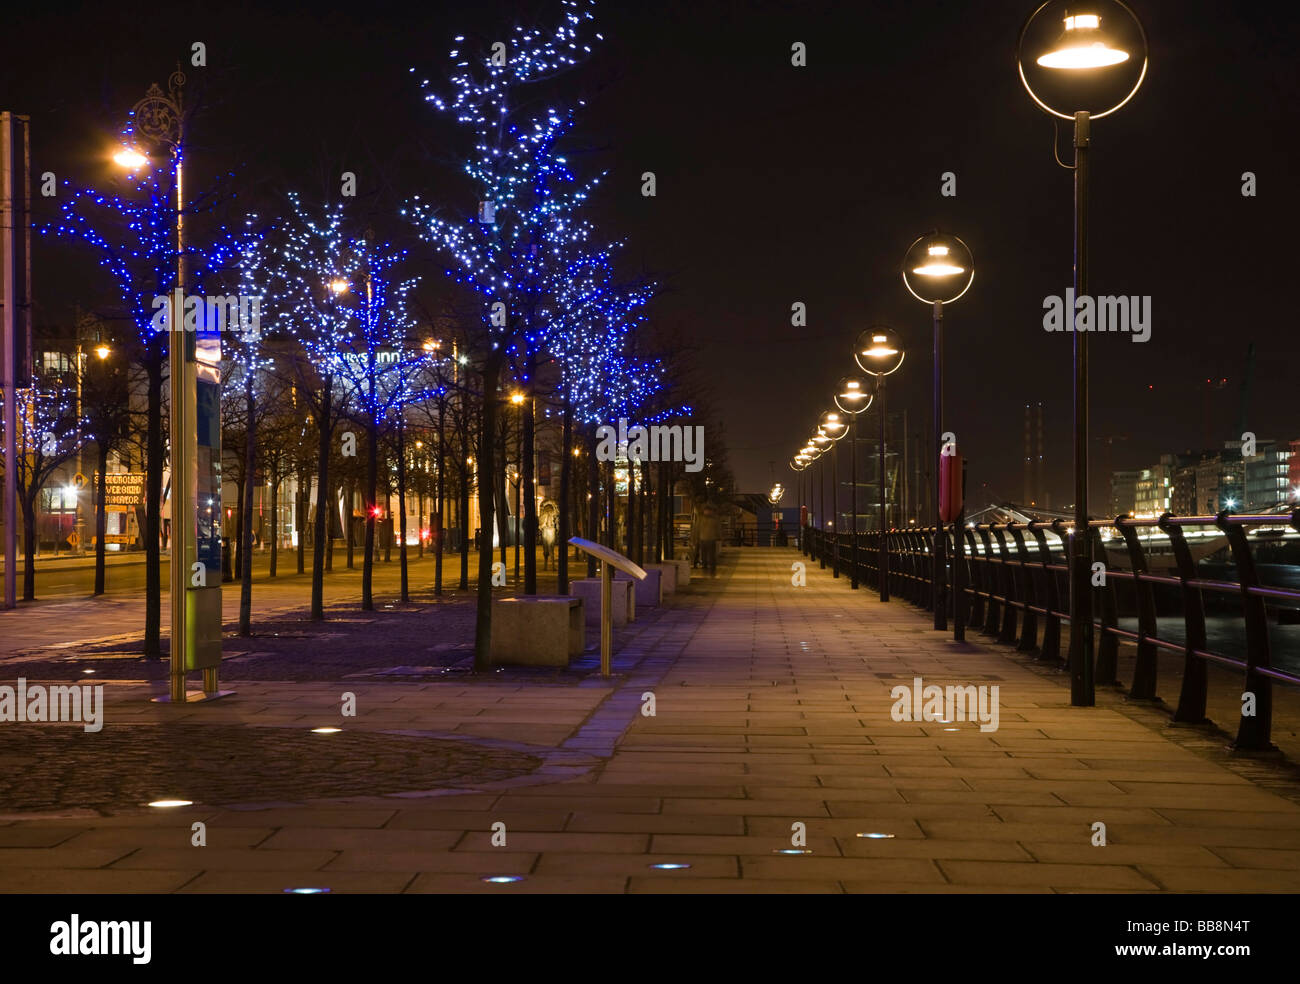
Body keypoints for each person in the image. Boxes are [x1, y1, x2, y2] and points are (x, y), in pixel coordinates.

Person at [698, 503, 721, 577]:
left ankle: (712, 571)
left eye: (708, 510)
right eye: (706, 510)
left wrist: (719, 537)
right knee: (703, 556)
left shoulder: (714, 519)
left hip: (711, 539)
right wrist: (696, 538)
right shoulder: (701, 519)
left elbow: (718, 529)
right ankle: (704, 569)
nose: (707, 512)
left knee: (711, 556)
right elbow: (697, 529)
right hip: (702, 539)